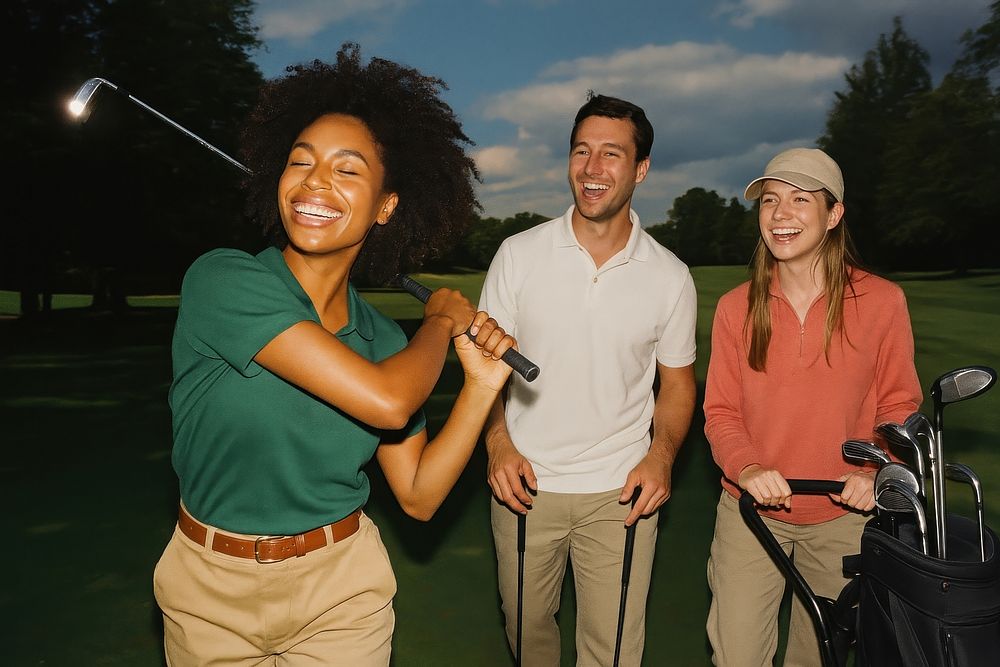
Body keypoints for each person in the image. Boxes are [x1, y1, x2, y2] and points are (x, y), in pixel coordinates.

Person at [152, 43, 517, 665]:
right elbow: (388, 400)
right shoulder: (224, 280)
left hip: (340, 589)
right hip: (208, 588)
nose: (316, 181)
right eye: (301, 162)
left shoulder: (384, 342)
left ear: (386, 206)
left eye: (348, 170)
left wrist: (481, 386)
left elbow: (421, 496)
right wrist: (441, 324)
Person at [480, 92, 698, 666]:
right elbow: (486, 370)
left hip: (620, 490)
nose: (592, 169)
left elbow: (677, 383)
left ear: (640, 169)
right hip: (525, 484)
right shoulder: (518, 255)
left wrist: (662, 456)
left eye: (611, 154)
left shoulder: (671, 277)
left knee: (615, 649)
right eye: (581, 151)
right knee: (528, 635)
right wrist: (497, 443)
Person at [703, 147, 923, 666]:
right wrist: (748, 466)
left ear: (834, 214)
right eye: (770, 201)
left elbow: (898, 404)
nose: (781, 214)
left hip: (845, 512)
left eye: (801, 200)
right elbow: (721, 412)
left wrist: (879, 469)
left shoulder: (883, 301)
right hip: (751, 511)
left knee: (819, 656)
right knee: (736, 656)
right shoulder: (737, 307)